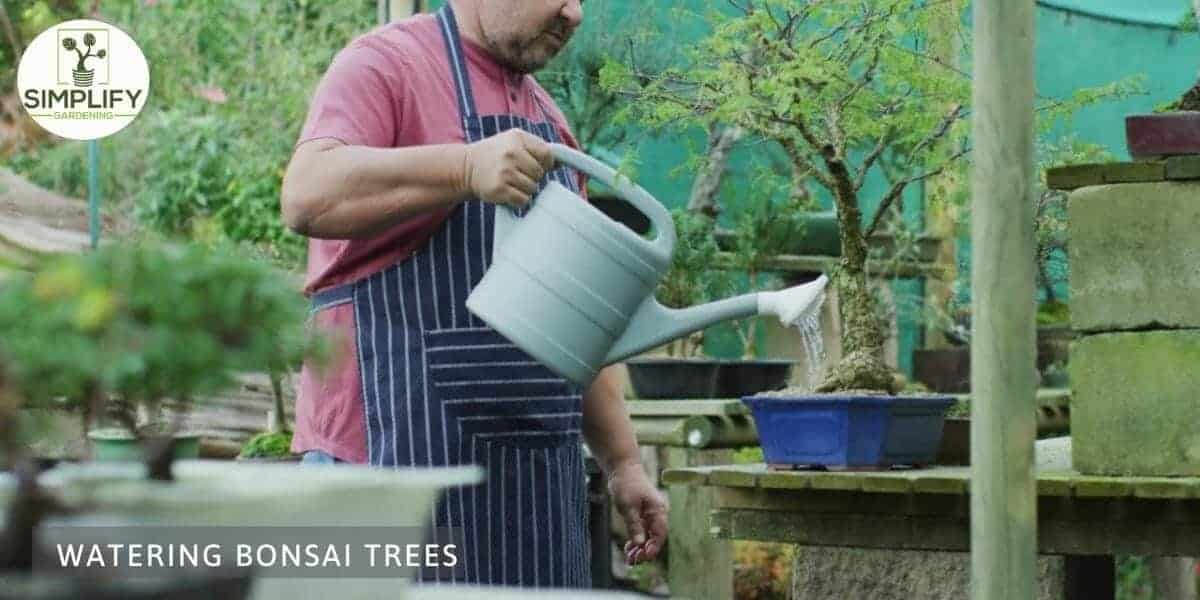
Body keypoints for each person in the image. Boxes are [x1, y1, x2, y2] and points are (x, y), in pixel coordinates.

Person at [279, 0, 666, 588]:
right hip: (385, 467)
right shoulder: (386, 64)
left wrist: (624, 463)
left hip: (532, 501)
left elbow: (579, 317)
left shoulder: (549, 121)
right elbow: (306, 195)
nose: (575, 13)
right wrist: (464, 168)